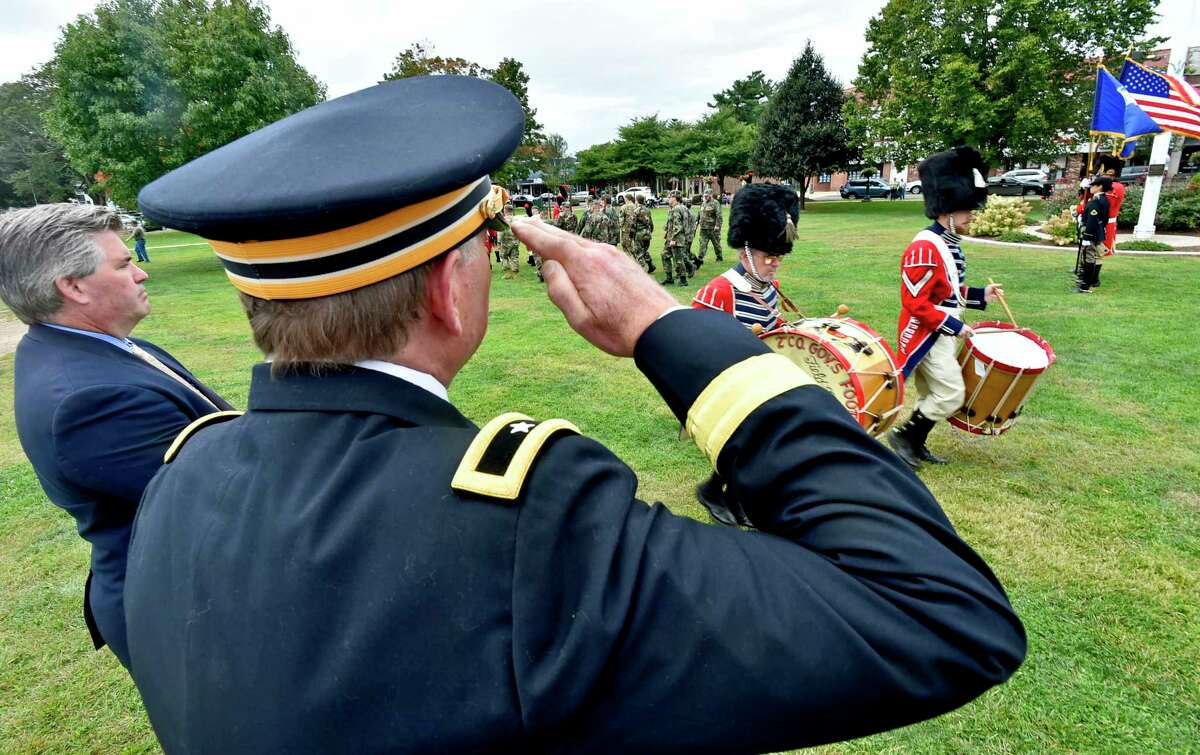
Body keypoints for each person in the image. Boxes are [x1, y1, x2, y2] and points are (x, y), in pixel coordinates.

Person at [124, 76, 1024, 754]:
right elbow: (940, 615)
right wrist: (667, 328)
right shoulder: (525, 524)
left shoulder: (178, 477)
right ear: (448, 293)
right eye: (480, 246)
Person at [0, 203, 232, 669]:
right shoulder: (90, 401)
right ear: (73, 286)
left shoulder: (98, 346)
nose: (141, 274)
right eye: (124, 265)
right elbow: (230, 495)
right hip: (186, 609)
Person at [691, 183, 801, 526]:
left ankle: (733, 496)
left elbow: (772, 327)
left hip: (760, 381)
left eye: (779, 256)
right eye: (769, 257)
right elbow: (695, 344)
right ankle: (715, 491)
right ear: (745, 253)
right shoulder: (719, 291)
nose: (775, 263)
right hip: (728, 386)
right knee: (750, 443)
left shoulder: (769, 287)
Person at [889, 147, 1004, 470]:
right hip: (927, 332)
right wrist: (956, 327)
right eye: (966, 209)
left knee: (933, 393)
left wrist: (981, 295)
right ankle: (903, 438)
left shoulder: (947, 243)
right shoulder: (925, 247)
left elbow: (948, 293)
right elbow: (916, 303)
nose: (971, 215)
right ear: (947, 210)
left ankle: (915, 442)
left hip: (939, 330)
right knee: (951, 394)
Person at [1076, 175, 1112, 294]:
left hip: (1091, 233)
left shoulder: (1097, 201)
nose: (1091, 188)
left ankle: (1085, 285)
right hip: (1096, 232)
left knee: (1089, 258)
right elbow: (1104, 220)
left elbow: (1093, 221)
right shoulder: (1102, 199)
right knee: (1089, 257)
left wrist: (1087, 236)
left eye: (1093, 185)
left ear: (1099, 187)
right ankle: (1085, 282)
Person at [661, 190, 690, 287]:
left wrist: (673, 239)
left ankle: (683, 280)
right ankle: (669, 278)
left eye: (670, 197)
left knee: (678, 260)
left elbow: (678, 226)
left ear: (674, 198)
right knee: (664, 255)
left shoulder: (676, 209)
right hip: (672, 238)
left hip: (676, 238)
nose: (668, 199)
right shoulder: (681, 207)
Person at [696, 188, 723, 265]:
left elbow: (719, 215)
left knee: (716, 243)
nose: (705, 197)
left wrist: (717, 226)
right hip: (703, 228)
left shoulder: (715, 203)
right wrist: (697, 222)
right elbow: (700, 214)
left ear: (711, 195)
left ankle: (719, 257)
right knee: (702, 243)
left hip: (713, 228)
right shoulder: (703, 203)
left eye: (707, 195)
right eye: (704, 195)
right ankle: (700, 258)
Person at [631, 193, 655, 273]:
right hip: (647, 233)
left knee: (639, 253)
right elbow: (651, 223)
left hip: (639, 235)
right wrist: (650, 231)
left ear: (637, 201)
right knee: (644, 251)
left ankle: (641, 272)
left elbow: (633, 224)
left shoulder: (636, 211)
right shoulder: (648, 210)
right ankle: (651, 265)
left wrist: (631, 235)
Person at [497, 203, 521, 280]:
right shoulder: (516, 219)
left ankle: (507, 271)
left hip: (505, 241)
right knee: (514, 256)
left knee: (504, 256)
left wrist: (499, 241)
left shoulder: (503, 220)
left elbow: (501, 231)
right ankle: (515, 270)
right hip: (515, 240)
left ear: (505, 210)